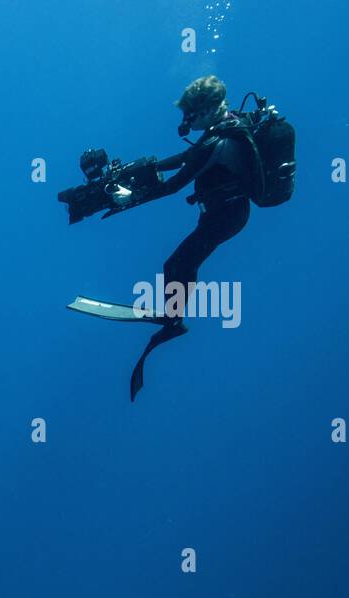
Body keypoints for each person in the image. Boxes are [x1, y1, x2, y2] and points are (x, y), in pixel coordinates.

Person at [124, 76, 255, 400]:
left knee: (180, 262)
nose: (186, 121)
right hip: (224, 211)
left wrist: (128, 198)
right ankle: (173, 316)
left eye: (190, 115)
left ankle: (174, 320)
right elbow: (185, 159)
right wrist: (138, 169)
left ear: (207, 110)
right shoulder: (223, 127)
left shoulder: (219, 142)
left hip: (226, 216)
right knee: (182, 262)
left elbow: (175, 184)